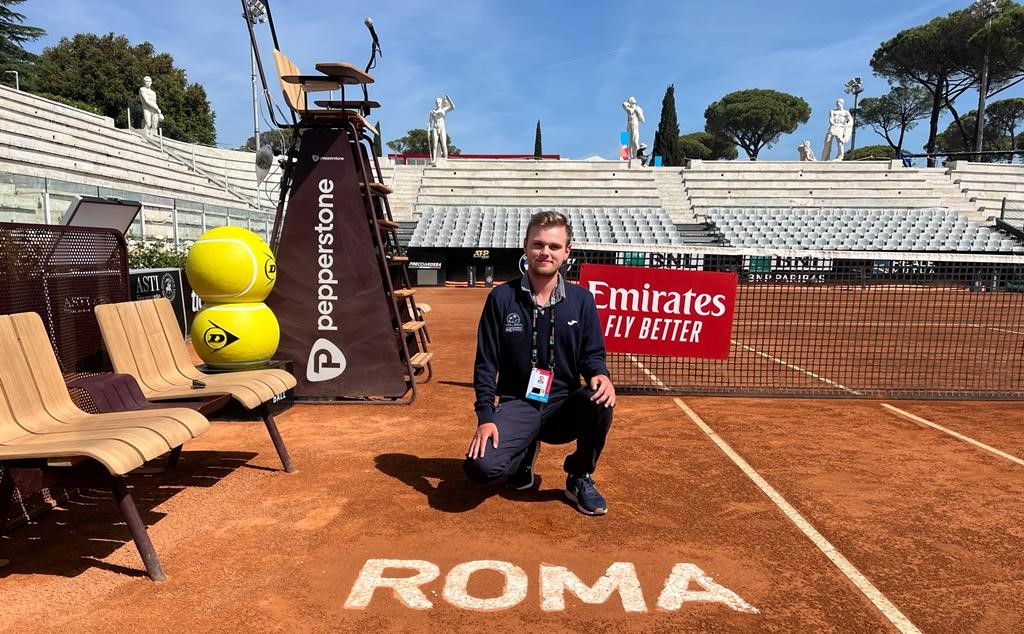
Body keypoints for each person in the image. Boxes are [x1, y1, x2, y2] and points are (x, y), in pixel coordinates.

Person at [464, 211, 616, 515]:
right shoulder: (501, 298)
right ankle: (524, 451)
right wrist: (485, 417)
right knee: (480, 469)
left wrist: (600, 374)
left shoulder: (582, 300)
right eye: (538, 244)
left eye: (554, 246)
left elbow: (592, 355)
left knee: (600, 400)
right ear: (526, 246)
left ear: (567, 252)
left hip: (562, 406)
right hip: (518, 403)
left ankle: (579, 475)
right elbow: (486, 363)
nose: (545, 252)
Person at [428, 96, 454, 163]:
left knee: (444, 145)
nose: (437, 103)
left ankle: (446, 159)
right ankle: (434, 159)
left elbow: (453, 107)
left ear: (441, 102)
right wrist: (428, 131)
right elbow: (430, 122)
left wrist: (448, 99)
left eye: (439, 102)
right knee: (435, 145)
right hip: (435, 127)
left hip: (442, 127)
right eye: (436, 102)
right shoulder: (432, 111)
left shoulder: (444, 110)